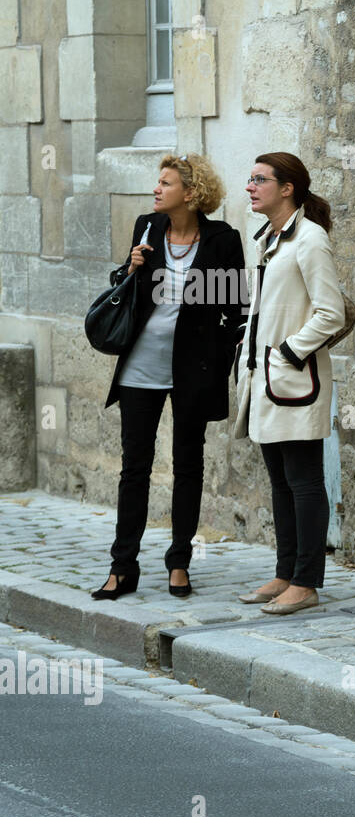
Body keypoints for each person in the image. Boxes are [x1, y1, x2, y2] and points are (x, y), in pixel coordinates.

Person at [92, 154, 246, 600]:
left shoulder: (221, 239)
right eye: (157, 183)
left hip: (192, 372)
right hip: (141, 366)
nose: (156, 190)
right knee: (134, 468)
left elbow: (233, 306)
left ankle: (179, 561)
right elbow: (123, 289)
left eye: (166, 183)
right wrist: (132, 268)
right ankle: (122, 567)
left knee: (188, 466)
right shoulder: (147, 227)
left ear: (191, 193)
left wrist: (222, 361)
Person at [234, 152, 346, 615]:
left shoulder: (310, 239)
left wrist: (288, 352)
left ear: (287, 188)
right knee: (280, 481)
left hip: (294, 379)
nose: (250, 187)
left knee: (304, 480)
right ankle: (285, 573)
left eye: (260, 179)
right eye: (250, 178)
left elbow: (331, 312)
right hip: (265, 377)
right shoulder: (270, 237)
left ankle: (307, 581)